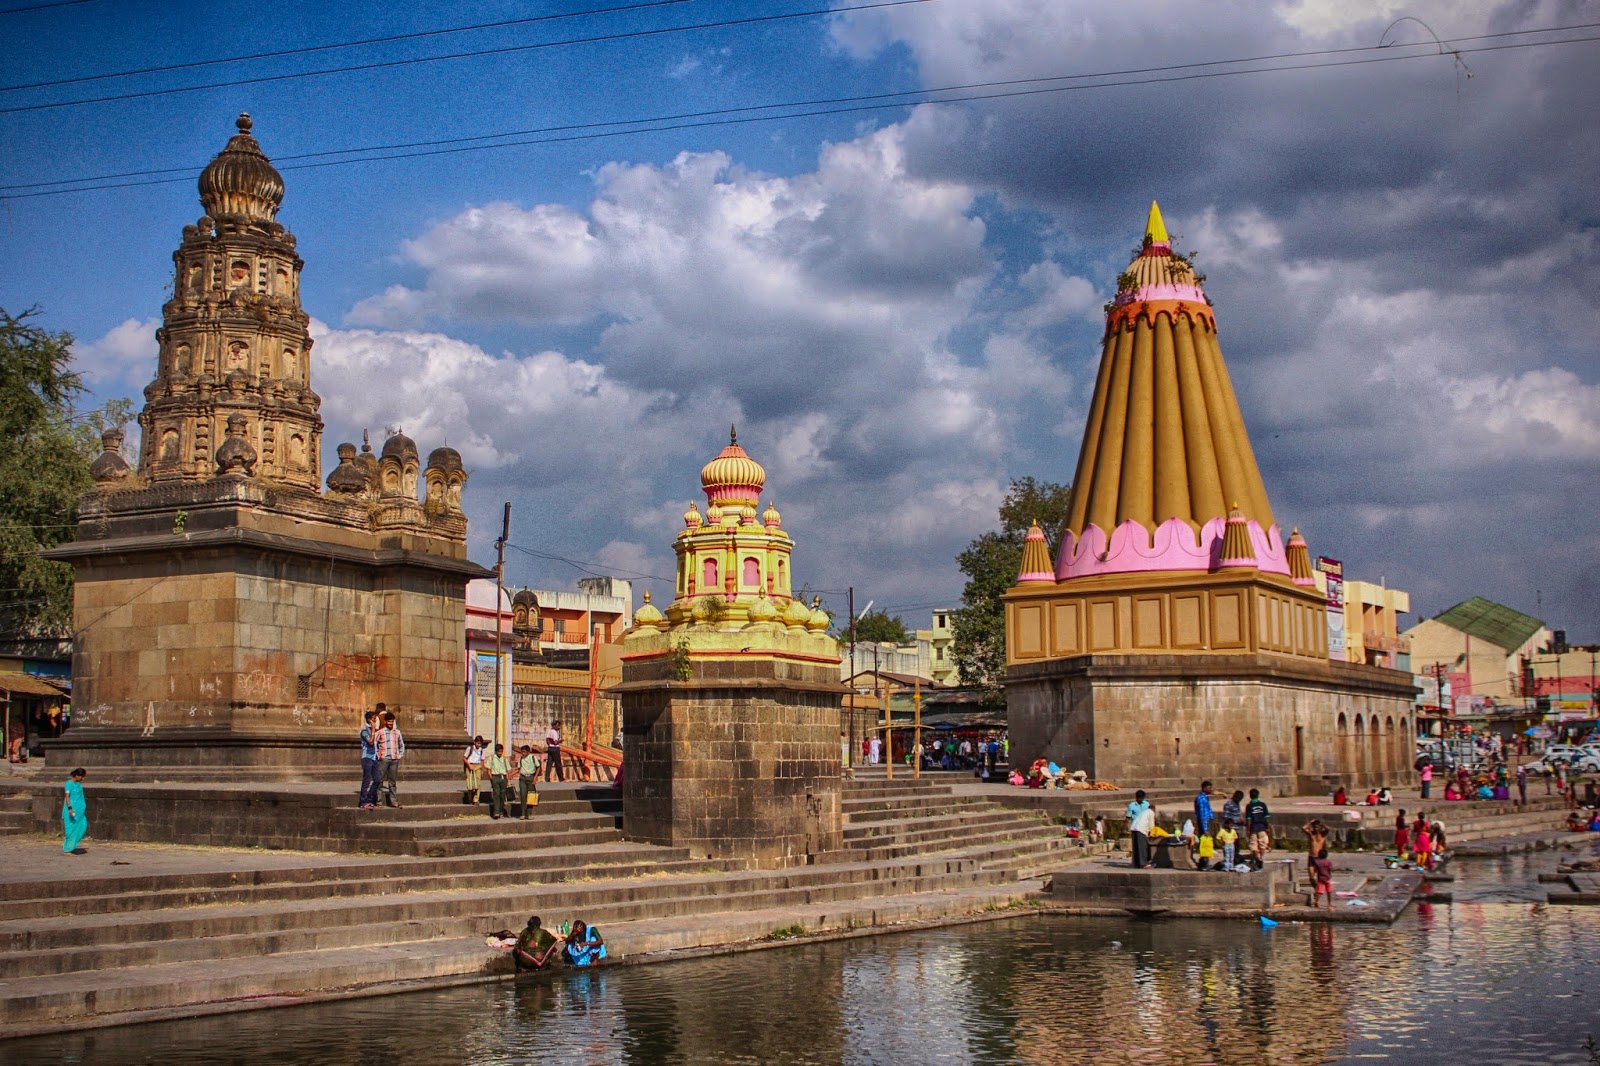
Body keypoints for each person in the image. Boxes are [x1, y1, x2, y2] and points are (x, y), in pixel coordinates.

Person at [375, 710, 405, 808]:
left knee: (392, 782)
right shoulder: (381, 732)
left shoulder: (397, 732)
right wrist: (378, 754)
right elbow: (375, 743)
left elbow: (401, 744)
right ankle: (379, 801)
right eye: (389, 722)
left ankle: (394, 802)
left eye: (392, 722)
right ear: (386, 722)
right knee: (379, 780)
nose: (390, 723)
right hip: (384, 758)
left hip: (394, 759)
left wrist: (399, 755)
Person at [61, 767, 88, 855]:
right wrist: (70, 808)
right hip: (72, 810)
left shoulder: (79, 784)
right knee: (71, 829)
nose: (82, 778)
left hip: (80, 811)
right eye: (81, 776)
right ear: (76, 775)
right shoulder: (69, 784)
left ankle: (72, 846)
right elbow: (67, 797)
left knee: (82, 826)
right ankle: (67, 849)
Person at [358, 709, 381, 810]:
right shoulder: (364, 731)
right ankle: (363, 801)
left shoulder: (375, 731)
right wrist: (372, 730)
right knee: (366, 780)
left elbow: (376, 744)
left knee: (377, 779)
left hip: (374, 757)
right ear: (368, 720)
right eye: (373, 720)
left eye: (376, 720)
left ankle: (369, 798)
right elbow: (370, 742)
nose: (375, 722)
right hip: (367, 758)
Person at [1245, 788, 1272, 868]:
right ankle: (1261, 858)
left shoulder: (1249, 806)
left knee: (1253, 845)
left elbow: (1249, 819)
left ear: (1250, 796)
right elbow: (1267, 818)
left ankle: (1257, 859)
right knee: (1262, 844)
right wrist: (1268, 827)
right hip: (1262, 827)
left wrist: (1248, 830)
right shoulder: (1263, 805)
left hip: (1253, 827)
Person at [1127, 790, 1154, 869]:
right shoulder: (1150, 812)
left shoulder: (1146, 808)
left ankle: (1136, 863)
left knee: (1137, 846)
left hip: (1135, 827)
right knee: (1142, 847)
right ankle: (1143, 863)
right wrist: (1152, 833)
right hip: (1140, 828)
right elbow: (1151, 825)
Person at [487, 743, 511, 819]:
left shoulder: (504, 759)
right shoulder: (492, 758)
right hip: (495, 777)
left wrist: (507, 779)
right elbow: (488, 769)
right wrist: (491, 778)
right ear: (496, 751)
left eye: (501, 751)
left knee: (502, 795)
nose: (500, 753)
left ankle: (501, 812)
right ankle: (496, 812)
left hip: (503, 777)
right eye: (498, 751)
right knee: (496, 795)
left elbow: (508, 770)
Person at [463, 735, 488, 806]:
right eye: (477, 743)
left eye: (480, 743)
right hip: (470, 765)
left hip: (478, 766)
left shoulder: (481, 750)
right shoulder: (470, 748)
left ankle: (476, 799)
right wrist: (469, 765)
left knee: (478, 784)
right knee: (470, 783)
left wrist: (482, 769)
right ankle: (470, 799)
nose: (478, 745)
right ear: (474, 742)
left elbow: (482, 760)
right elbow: (464, 758)